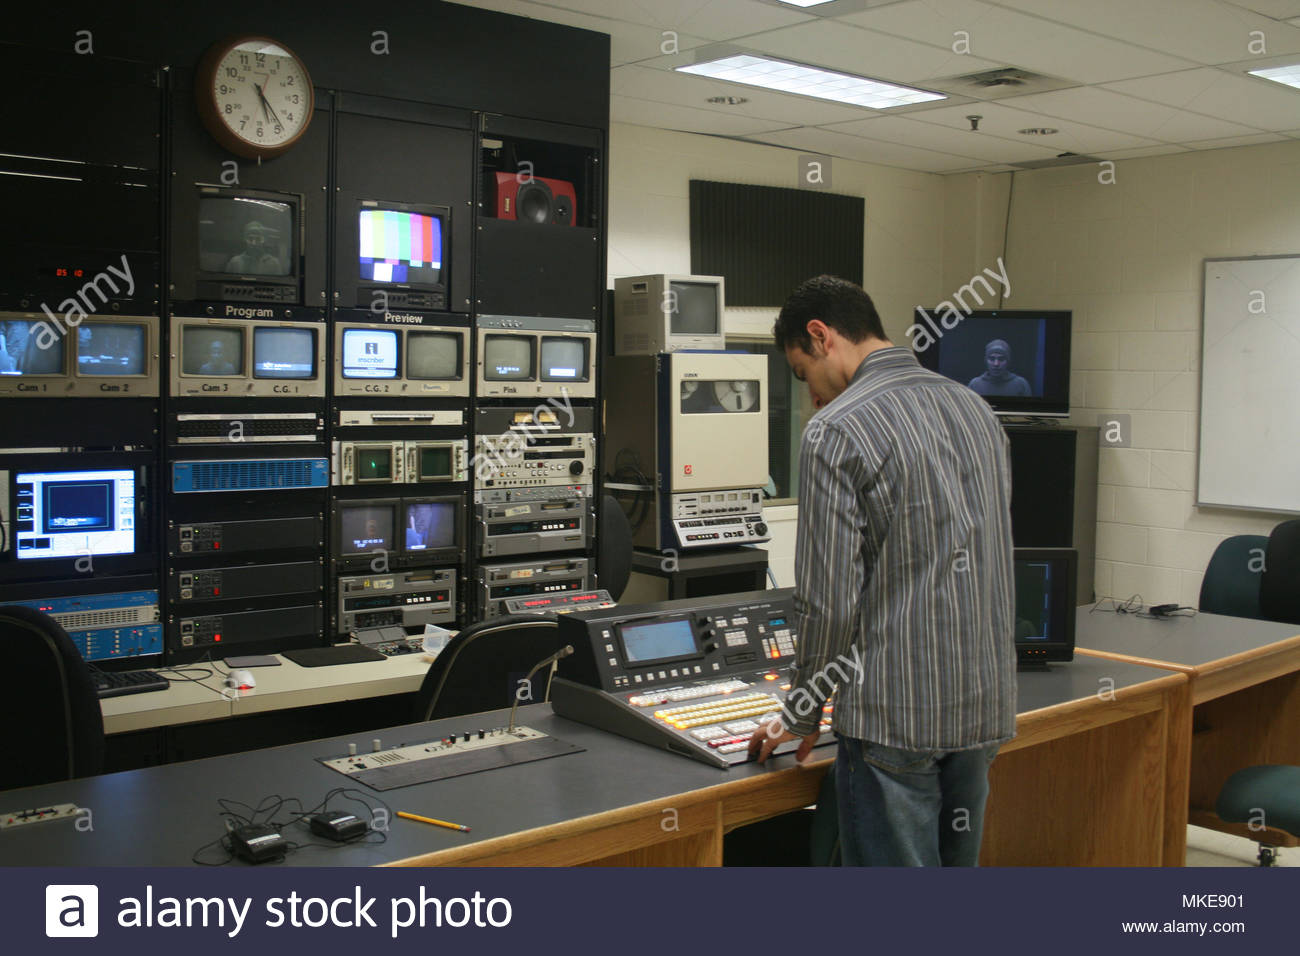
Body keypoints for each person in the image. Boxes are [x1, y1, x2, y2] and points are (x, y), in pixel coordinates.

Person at [747, 275, 1017, 867]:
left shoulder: (835, 430)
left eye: (801, 374)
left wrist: (801, 714)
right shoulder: (977, 410)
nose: (811, 396)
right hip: (984, 707)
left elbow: (829, 602)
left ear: (820, 337)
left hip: (896, 717)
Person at [967, 338, 1031, 397]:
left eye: (1001, 359)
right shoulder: (975, 384)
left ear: (1008, 361)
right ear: (986, 361)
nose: (996, 364)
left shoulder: (1021, 384)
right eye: (992, 359)